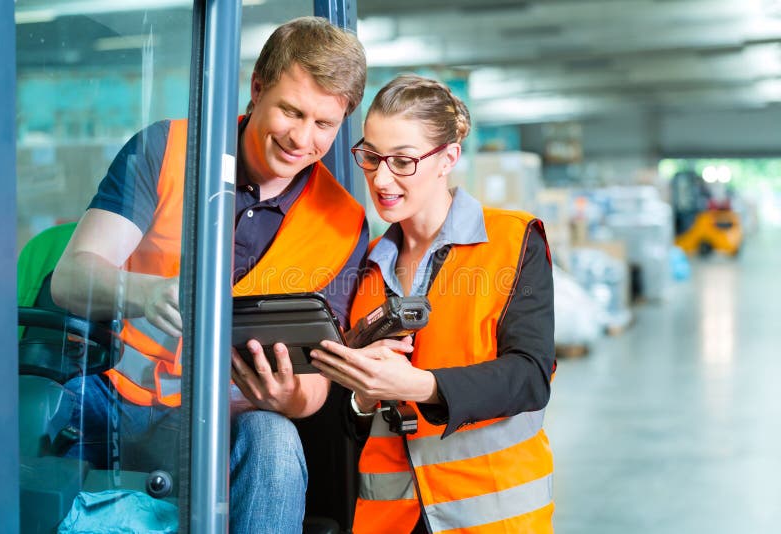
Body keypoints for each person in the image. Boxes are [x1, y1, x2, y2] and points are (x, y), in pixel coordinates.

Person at [50, 16, 368, 533]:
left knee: (274, 438)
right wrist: (146, 293)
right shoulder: (168, 150)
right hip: (106, 397)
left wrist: (286, 396)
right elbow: (71, 278)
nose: (302, 139)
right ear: (257, 88)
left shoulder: (343, 222)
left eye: (323, 124)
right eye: (291, 111)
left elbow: (317, 385)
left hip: (214, 420)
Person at [309, 74, 556, 533]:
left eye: (403, 161)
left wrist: (419, 384)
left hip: (490, 516)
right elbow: (346, 418)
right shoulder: (363, 267)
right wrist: (363, 395)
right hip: (388, 520)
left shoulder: (513, 242)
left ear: (448, 158)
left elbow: (529, 377)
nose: (381, 178)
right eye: (371, 157)